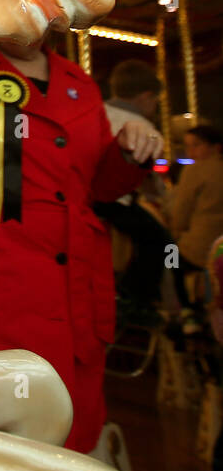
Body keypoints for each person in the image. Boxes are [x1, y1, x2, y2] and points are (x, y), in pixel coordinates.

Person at [0, 30, 161, 454]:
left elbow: (97, 187)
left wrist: (126, 155)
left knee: (72, 431)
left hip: (75, 286)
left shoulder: (78, 83)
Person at [95, 60, 172, 315]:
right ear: (146, 96)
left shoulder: (97, 110)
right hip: (113, 198)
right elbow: (145, 178)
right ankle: (137, 296)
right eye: (155, 101)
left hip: (89, 193)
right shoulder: (143, 128)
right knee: (160, 240)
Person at [166, 124, 223, 319]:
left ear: (215, 147)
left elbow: (181, 211)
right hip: (219, 245)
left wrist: (174, 231)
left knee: (169, 256)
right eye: (188, 146)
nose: (190, 151)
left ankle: (186, 309)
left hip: (199, 247)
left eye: (196, 145)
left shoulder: (195, 171)